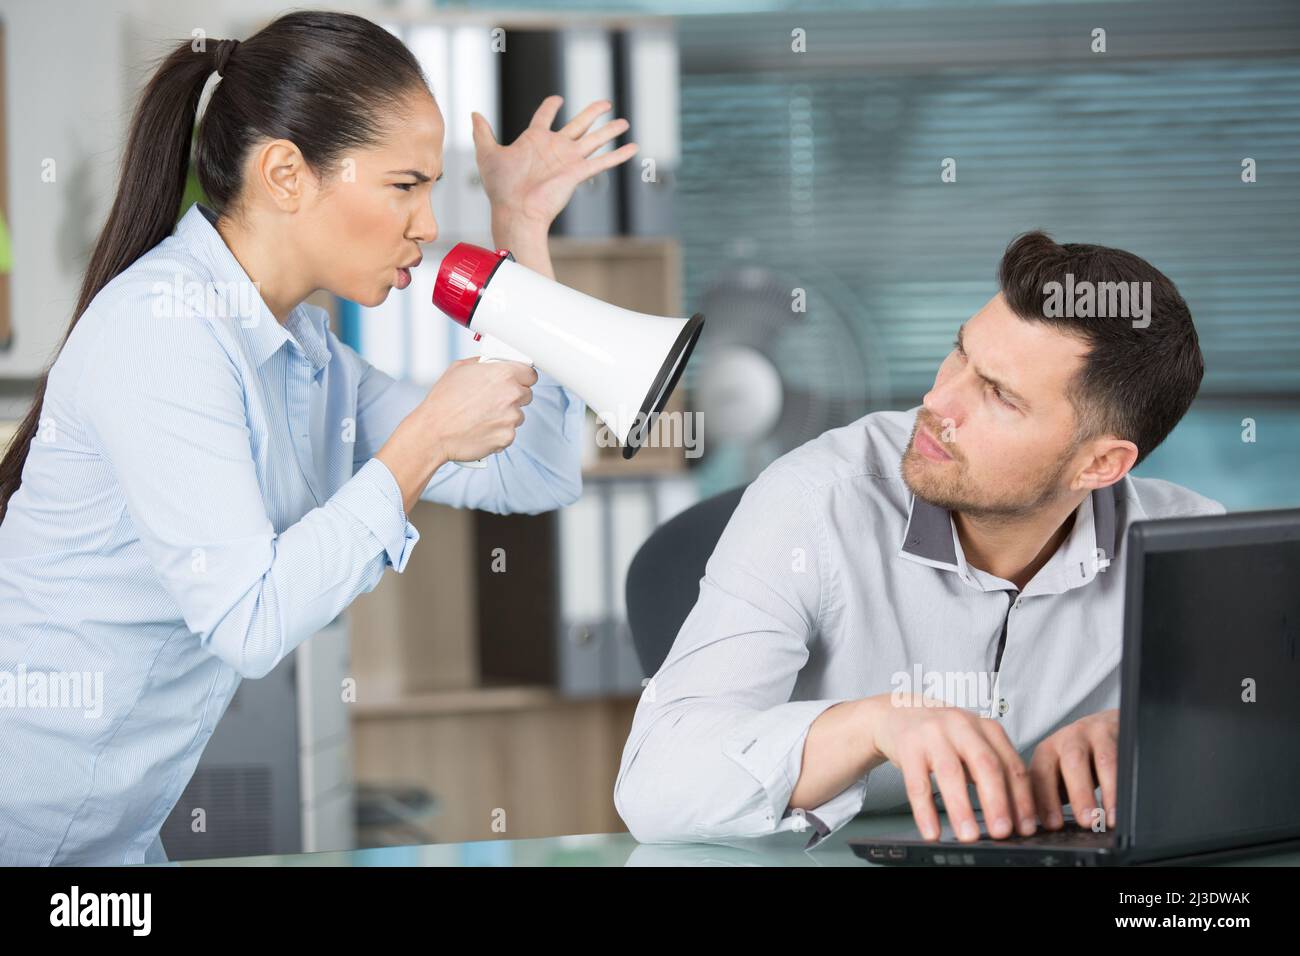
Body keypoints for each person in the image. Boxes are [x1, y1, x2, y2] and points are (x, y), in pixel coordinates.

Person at [0, 10, 637, 865]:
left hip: (110, 834)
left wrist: (520, 228)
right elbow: (249, 621)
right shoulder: (164, 331)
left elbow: (536, 476)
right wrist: (420, 443)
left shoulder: (306, 357)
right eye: (405, 185)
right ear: (286, 175)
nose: (426, 225)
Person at [615, 231, 1224, 848]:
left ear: (1099, 467)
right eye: (959, 354)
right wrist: (870, 725)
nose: (937, 401)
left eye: (1000, 397)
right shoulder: (810, 503)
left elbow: (1264, 735)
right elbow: (653, 785)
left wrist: (1156, 736)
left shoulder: (1187, 549)